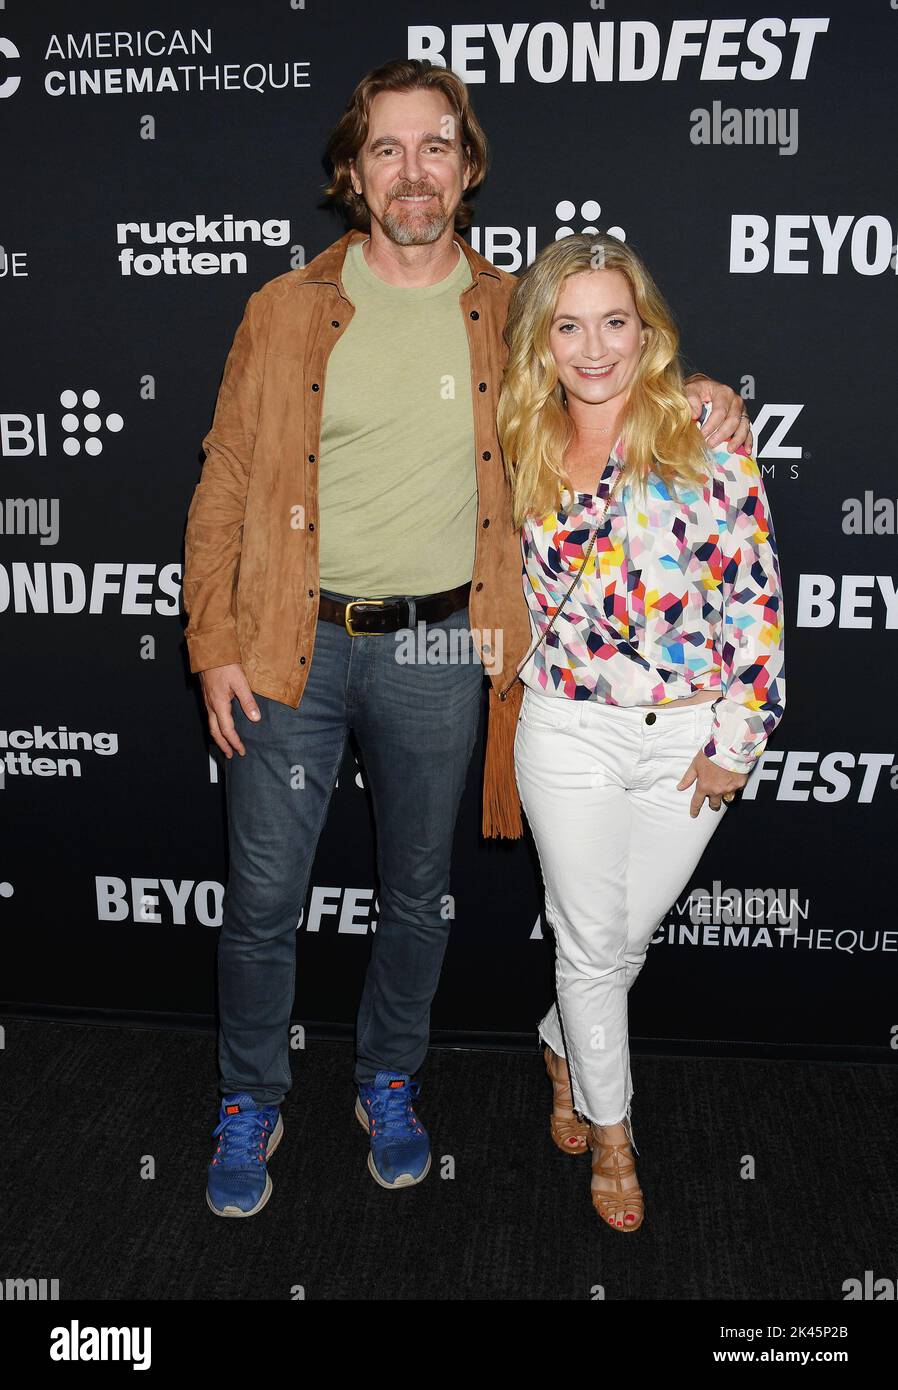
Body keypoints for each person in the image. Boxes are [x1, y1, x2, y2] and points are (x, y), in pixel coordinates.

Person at [183, 57, 752, 1217]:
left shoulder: (510, 311)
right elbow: (227, 480)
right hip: (292, 637)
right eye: (386, 149)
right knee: (260, 897)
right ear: (354, 172)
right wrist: (212, 642)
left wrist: (702, 387)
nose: (412, 171)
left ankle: (387, 1083)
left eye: (434, 145)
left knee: (418, 891)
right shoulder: (283, 310)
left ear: (466, 163)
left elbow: (611, 365)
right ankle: (250, 1097)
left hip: (445, 644)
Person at [495, 232, 785, 1232]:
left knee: (617, 940)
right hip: (565, 729)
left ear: (646, 329)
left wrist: (737, 740)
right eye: (567, 324)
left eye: (613, 321)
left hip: (684, 739)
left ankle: (557, 1038)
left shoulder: (702, 433)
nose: (592, 345)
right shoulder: (516, 436)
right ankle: (611, 1133)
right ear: (540, 341)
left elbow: (753, 602)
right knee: (588, 945)